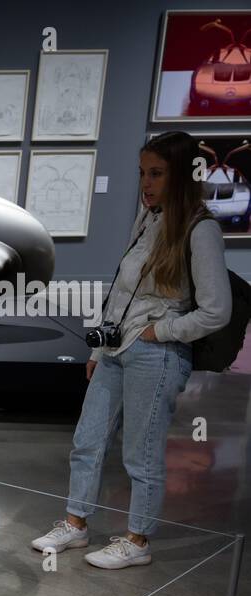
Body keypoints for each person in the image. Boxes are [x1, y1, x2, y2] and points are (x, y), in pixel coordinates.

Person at [32, 131, 231, 568]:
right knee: (87, 440)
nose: (146, 182)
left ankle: (138, 541)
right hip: (118, 349)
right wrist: (99, 350)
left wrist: (162, 332)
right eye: (143, 173)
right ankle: (76, 524)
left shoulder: (201, 230)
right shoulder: (148, 219)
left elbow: (217, 312)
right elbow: (124, 295)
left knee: (140, 453)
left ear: (179, 174)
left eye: (156, 173)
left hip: (157, 356)